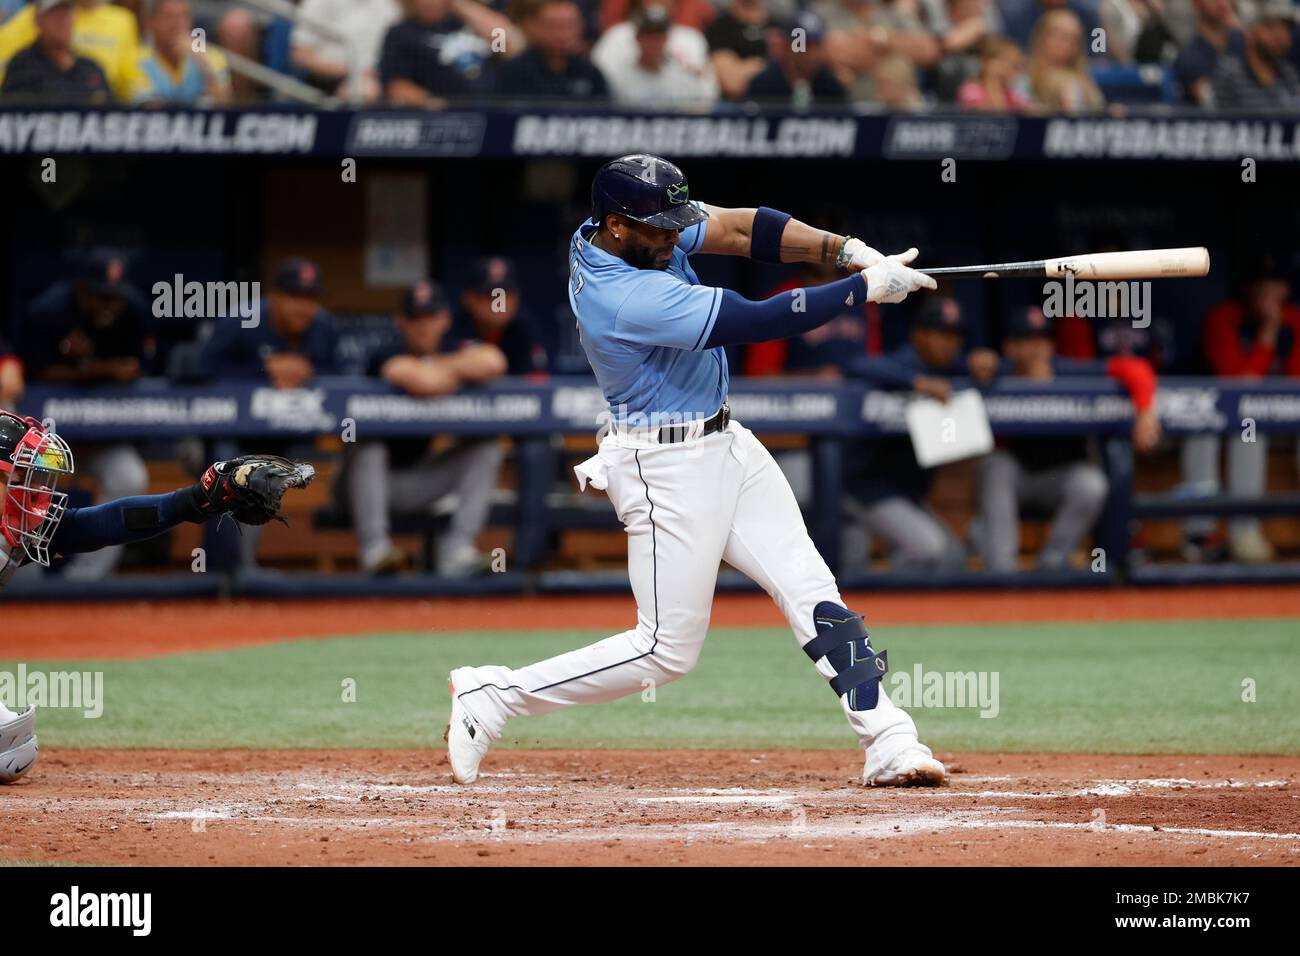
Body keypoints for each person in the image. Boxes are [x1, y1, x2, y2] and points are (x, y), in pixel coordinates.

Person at [443, 153, 948, 789]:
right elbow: (756, 319)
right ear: (615, 225)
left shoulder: (631, 230)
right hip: (664, 466)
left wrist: (847, 250)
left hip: (726, 440)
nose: (672, 235)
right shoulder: (620, 295)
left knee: (810, 587)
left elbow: (744, 230)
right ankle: (495, 695)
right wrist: (863, 290)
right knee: (664, 651)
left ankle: (890, 740)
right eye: (658, 227)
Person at [0, 412, 314, 783]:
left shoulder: (17, 524)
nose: (33, 494)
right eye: (19, 479)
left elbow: (100, 524)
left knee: (13, 746)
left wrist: (195, 500)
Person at [975, 306, 1159, 572]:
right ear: (1010, 347)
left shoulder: (1068, 372)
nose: (1038, 348)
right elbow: (955, 375)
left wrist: (1144, 411)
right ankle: (1001, 569)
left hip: (1059, 481)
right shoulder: (995, 373)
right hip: (1016, 480)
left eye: (1043, 339)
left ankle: (1053, 563)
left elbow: (1134, 368)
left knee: (1091, 482)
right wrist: (975, 364)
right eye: (1027, 340)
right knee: (995, 467)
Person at [345, 280, 508, 576]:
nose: (423, 326)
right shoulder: (383, 352)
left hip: (415, 482)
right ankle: (375, 550)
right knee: (369, 447)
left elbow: (493, 361)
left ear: (444, 319)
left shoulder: (450, 348)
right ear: (400, 321)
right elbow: (422, 382)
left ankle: (457, 550)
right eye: (414, 318)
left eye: (430, 317)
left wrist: (437, 367)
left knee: (487, 447)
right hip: (357, 488)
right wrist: (454, 371)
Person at [198, 257, 340, 569]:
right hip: (213, 437)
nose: (302, 308)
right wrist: (263, 370)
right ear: (274, 297)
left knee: (261, 475)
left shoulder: (325, 328)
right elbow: (199, 368)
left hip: (279, 440)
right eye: (294, 297)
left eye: (310, 299)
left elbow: (339, 375)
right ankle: (223, 571)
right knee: (234, 471)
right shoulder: (242, 321)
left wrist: (307, 371)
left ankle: (237, 571)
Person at [19, 252, 152, 580]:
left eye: (116, 298)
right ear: (82, 289)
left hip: (101, 437)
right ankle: (23, 578)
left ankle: (85, 581)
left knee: (130, 477)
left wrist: (91, 366)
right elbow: (27, 371)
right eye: (101, 296)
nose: (110, 305)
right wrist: (91, 368)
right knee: (22, 484)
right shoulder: (48, 311)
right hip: (45, 442)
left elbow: (140, 368)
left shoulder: (133, 311)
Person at [844, 297, 1000, 570]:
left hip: (906, 493)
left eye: (954, 336)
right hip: (865, 488)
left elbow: (989, 370)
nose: (949, 343)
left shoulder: (951, 368)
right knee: (931, 550)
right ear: (919, 334)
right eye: (940, 333)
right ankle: (879, 604)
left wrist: (988, 363)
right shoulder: (905, 362)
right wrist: (917, 383)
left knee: (953, 555)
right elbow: (856, 365)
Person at [1186, 252, 1300, 562]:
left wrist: (1276, 325)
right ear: (1247, 289)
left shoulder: (1295, 319)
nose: (1268, 294)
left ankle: (1246, 529)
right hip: (1226, 417)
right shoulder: (1223, 317)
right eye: (1260, 286)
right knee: (1231, 430)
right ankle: (1206, 534)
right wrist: (1268, 333)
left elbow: (1296, 380)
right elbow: (1239, 385)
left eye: (1275, 285)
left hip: (1285, 418)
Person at [0, 0, 139, 101]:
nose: (63, 21)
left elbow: (112, 112)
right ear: (38, 20)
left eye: (67, 14)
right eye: (55, 15)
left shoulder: (90, 68)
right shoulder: (22, 68)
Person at [591, 2, 718, 109]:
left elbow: (705, 101)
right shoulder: (620, 76)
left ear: (667, 39)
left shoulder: (680, 77)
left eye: (658, 36)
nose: (653, 42)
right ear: (637, 38)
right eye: (648, 36)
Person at [449, 256, 550, 376]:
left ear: (516, 298)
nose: (499, 303)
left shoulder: (524, 328)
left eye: (504, 293)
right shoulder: (448, 325)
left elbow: (538, 383)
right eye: (489, 294)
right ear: (468, 298)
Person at [491, 0, 608, 98]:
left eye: (570, 25)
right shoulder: (513, 72)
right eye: (553, 26)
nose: (563, 35)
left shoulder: (589, 73)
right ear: (531, 26)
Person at [291, 0, 401, 102]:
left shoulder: (393, 4)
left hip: (383, 77)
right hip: (331, 80)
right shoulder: (318, 2)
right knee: (363, 91)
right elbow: (300, 55)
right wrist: (351, 73)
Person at [129, 0, 230, 106]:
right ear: (150, 22)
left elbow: (224, 104)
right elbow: (150, 109)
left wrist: (201, 62)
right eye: (168, 16)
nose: (177, 24)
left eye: (183, 16)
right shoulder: (135, 60)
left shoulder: (212, 56)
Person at [1210, 0, 1300, 110]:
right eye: (1270, 27)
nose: (1280, 36)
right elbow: (1221, 123)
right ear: (1249, 32)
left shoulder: (1289, 74)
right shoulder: (1229, 73)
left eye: (1285, 29)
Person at [745, 9, 847, 106]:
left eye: (816, 45)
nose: (811, 54)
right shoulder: (763, 85)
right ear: (786, 45)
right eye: (803, 45)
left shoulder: (830, 86)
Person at [1027, 6, 1106, 111]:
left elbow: (1097, 111)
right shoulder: (1024, 76)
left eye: (1074, 40)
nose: (1068, 45)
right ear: (1043, 37)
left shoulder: (1083, 79)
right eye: (1062, 37)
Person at [1173, 0, 1245, 105]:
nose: (1223, 4)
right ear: (1196, 3)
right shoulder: (1188, 57)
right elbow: (1208, 103)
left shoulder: (1244, 42)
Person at [704, 0, 771, 100]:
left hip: (778, 104)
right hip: (736, 108)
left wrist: (744, 68)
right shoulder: (721, 26)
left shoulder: (777, 24)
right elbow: (732, 84)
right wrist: (764, 66)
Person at [957, 34, 1033, 111]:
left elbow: (1029, 111)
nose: (1007, 67)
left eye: (1014, 64)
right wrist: (993, 85)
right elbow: (983, 114)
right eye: (1003, 61)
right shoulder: (971, 90)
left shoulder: (1012, 96)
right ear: (986, 61)